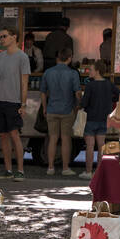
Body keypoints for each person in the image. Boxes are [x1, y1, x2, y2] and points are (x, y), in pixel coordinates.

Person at [0, 26, 29, 180]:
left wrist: (23, 104)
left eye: (4, 36)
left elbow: (25, 82)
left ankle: (20, 170)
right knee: (3, 135)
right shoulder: (0, 57)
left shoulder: (22, 57)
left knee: (14, 134)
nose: (2, 39)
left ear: (14, 37)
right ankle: (8, 170)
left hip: (13, 101)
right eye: (1, 37)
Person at [40, 47, 80, 176]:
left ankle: (50, 167)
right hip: (67, 110)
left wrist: (45, 107)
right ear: (69, 58)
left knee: (52, 139)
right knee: (65, 139)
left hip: (51, 109)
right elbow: (77, 93)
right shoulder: (73, 74)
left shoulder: (48, 72)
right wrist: (76, 107)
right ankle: (65, 168)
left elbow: (43, 93)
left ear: (58, 58)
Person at [78, 60, 120, 179]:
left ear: (97, 71)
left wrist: (80, 102)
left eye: (90, 69)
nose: (89, 72)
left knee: (90, 146)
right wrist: (110, 99)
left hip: (91, 118)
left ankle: (88, 171)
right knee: (101, 145)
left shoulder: (90, 85)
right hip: (104, 118)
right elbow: (118, 94)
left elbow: (84, 102)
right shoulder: (108, 84)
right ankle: (100, 172)